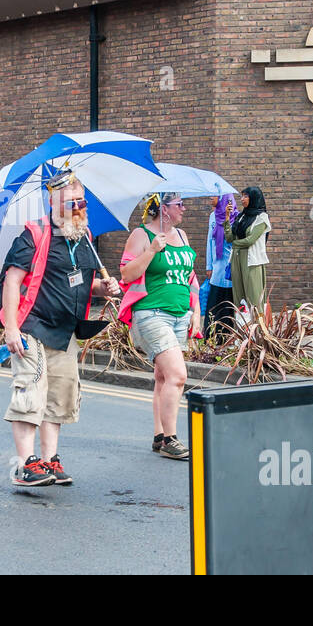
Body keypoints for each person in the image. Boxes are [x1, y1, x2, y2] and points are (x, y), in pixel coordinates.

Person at [0, 168, 120, 486]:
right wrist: (10, 328)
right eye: (72, 203)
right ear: (54, 203)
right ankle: (25, 465)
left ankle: (50, 461)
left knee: (60, 396)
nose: (79, 208)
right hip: (32, 326)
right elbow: (12, 281)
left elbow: (78, 284)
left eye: (82, 202)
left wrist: (102, 290)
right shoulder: (34, 234)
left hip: (65, 330)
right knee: (30, 393)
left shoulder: (85, 238)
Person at [120, 192, 202, 460]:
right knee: (178, 376)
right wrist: (152, 250)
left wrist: (196, 313)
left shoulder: (183, 236)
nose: (184, 208)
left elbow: (191, 279)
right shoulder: (141, 235)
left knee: (163, 377)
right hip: (151, 314)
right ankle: (170, 438)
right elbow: (127, 274)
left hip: (180, 315)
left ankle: (158, 435)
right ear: (163, 209)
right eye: (179, 204)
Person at [224, 186, 271, 312]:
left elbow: (250, 240)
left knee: (254, 299)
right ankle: (241, 329)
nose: (242, 199)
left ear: (254, 198)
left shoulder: (262, 217)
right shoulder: (241, 217)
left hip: (252, 261)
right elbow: (229, 238)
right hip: (236, 259)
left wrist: (234, 244)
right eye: (241, 196)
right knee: (239, 299)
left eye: (245, 196)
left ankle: (257, 329)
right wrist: (227, 218)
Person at [205, 194, 237, 336]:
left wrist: (228, 218)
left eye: (215, 195)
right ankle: (211, 336)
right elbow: (209, 242)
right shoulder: (213, 216)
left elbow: (232, 241)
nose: (211, 197)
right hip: (216, 268)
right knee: (214, 303)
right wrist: (209, 266)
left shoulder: (237, 217)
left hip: (230, 268)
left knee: (228, 303)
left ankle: (227, 336)